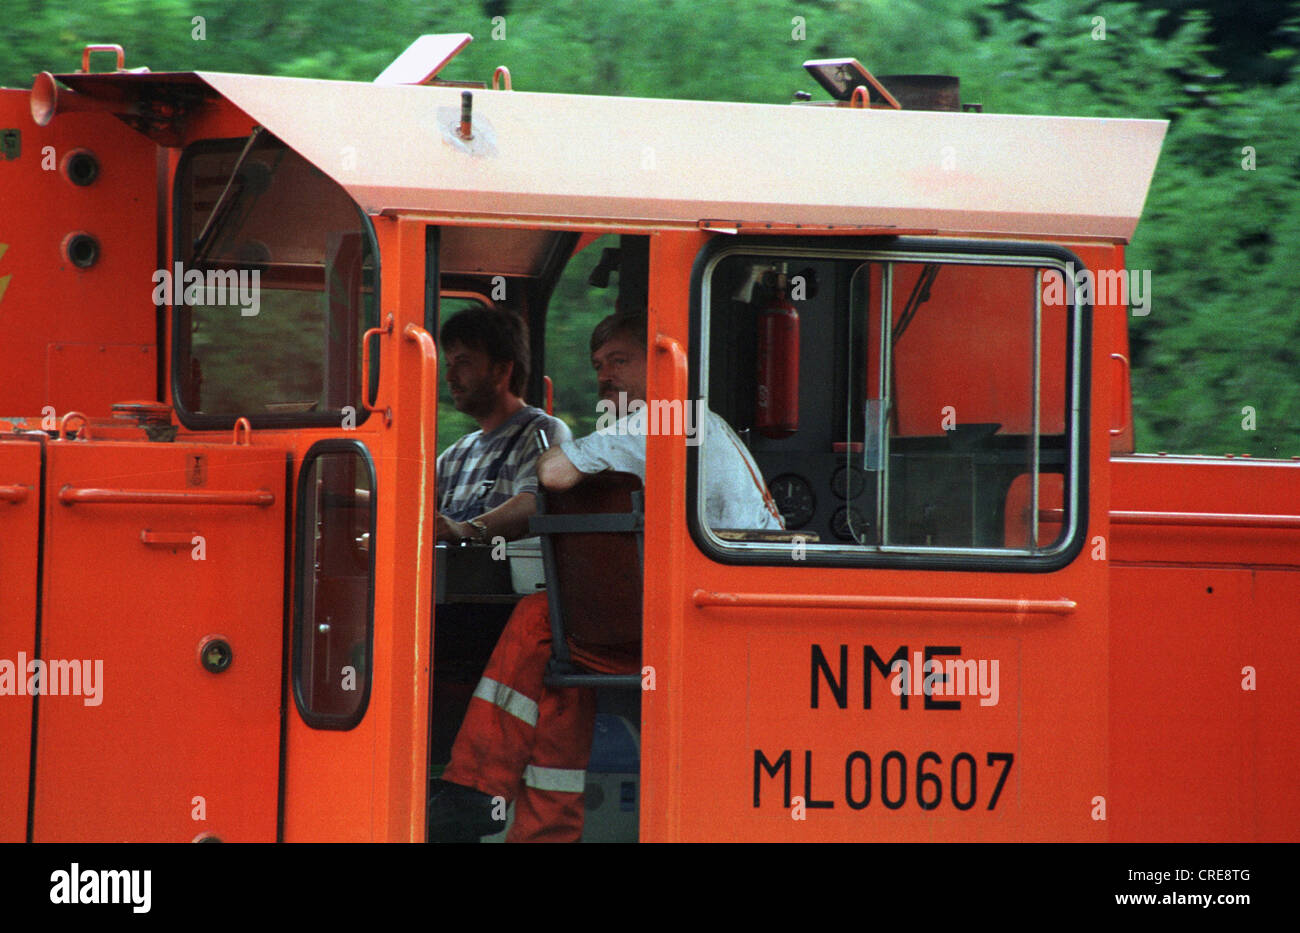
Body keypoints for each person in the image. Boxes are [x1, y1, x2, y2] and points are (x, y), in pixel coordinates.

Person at [429, 312, 783, 842]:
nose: (605, 377)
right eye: (598, 366)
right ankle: (529, 822)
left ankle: (475, 789)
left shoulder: (662, 416)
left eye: (620, 361)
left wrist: (568, 453)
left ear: (664, 364)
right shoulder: (704, 421)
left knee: (538, 621)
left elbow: (554, 474)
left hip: (711, 627)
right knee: (559, 663)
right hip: (729, 613)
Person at [435, 306, 571, 544]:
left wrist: (467, 530)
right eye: (448, 364)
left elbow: (534, 503)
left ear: (501, 370)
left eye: (463, 362)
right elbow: (406, 503)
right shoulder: (456, 454)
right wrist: (349, 495)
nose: (450, 377)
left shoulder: (542, 432)